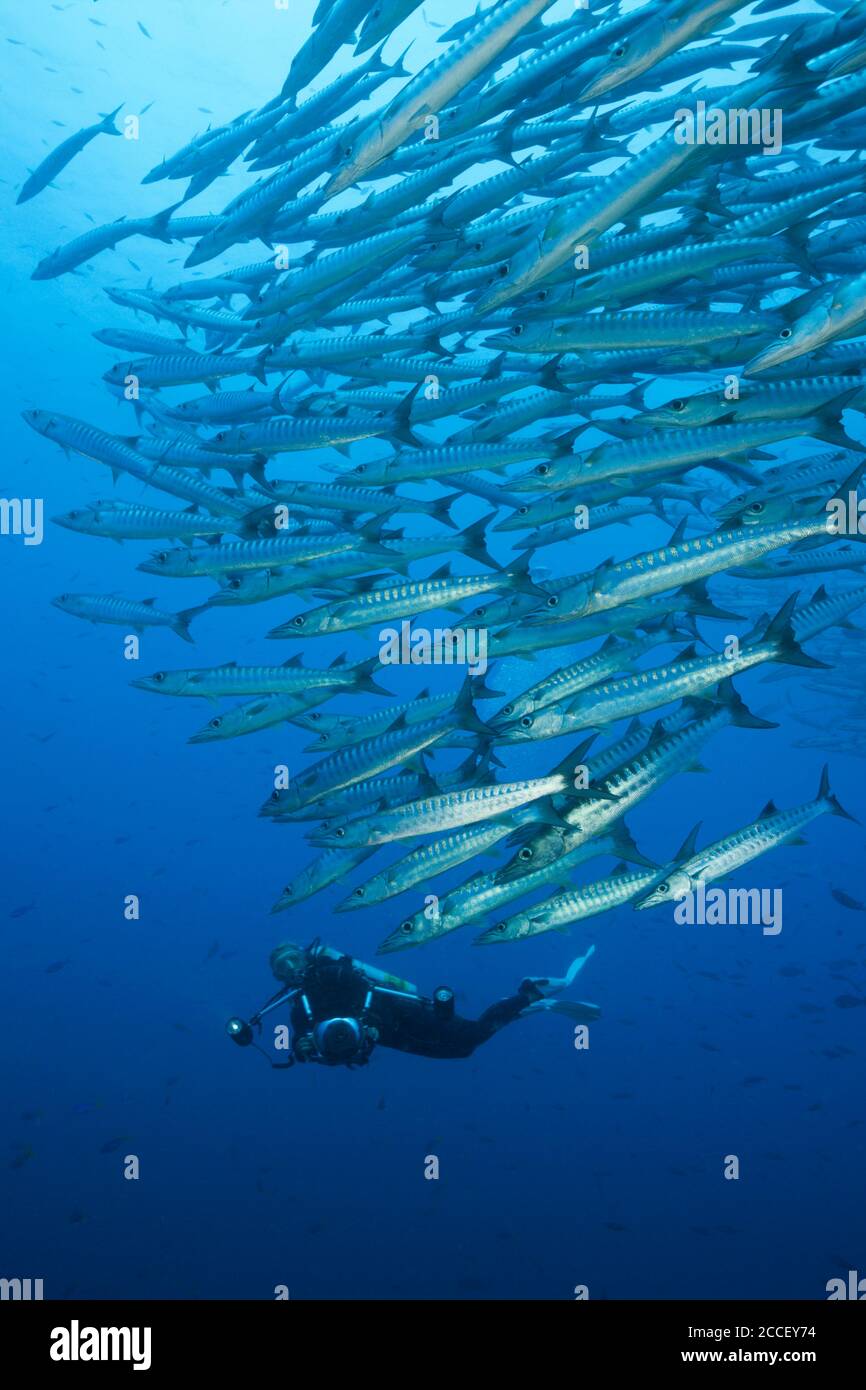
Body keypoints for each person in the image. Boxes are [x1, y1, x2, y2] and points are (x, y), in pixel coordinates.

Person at [226, 939, 600, 1068]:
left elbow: (364, 987)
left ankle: (527, 993)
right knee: (461, 1054)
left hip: (397, 1011)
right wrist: (302, 1047)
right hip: (379, 1037)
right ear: (277, 977)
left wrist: (368, 1019)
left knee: (469, 1037)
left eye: (292, 959)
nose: (290, 968)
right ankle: (524, 1006)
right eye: (281, 967)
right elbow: (300, 1039)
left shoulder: (330, 972)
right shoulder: (297, 1004)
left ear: (304, 957)